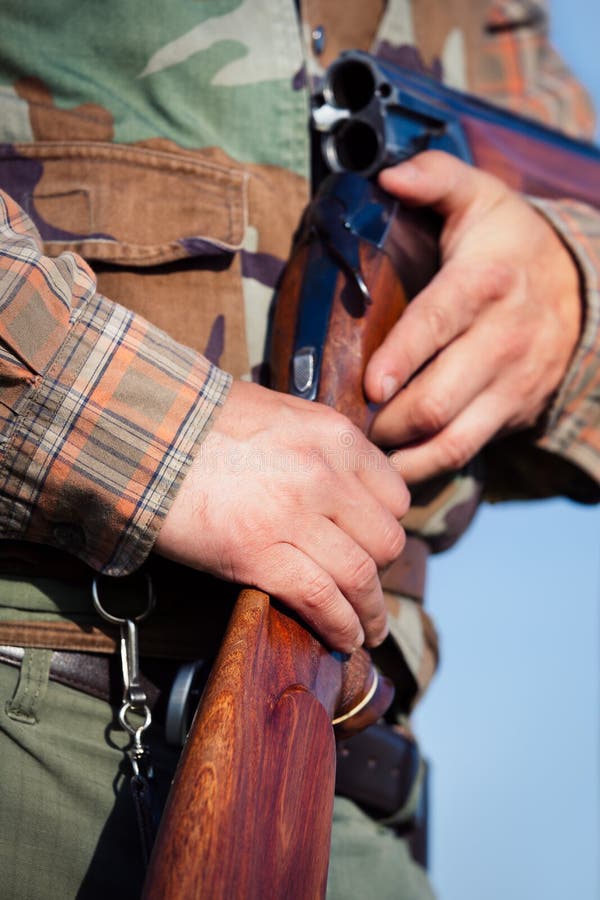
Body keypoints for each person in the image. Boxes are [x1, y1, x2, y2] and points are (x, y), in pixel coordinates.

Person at [0, 1, 598, 898]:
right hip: (36, 688)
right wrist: (139, 424)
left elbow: (574, 185)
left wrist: (572, 292)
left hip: (351, 771)